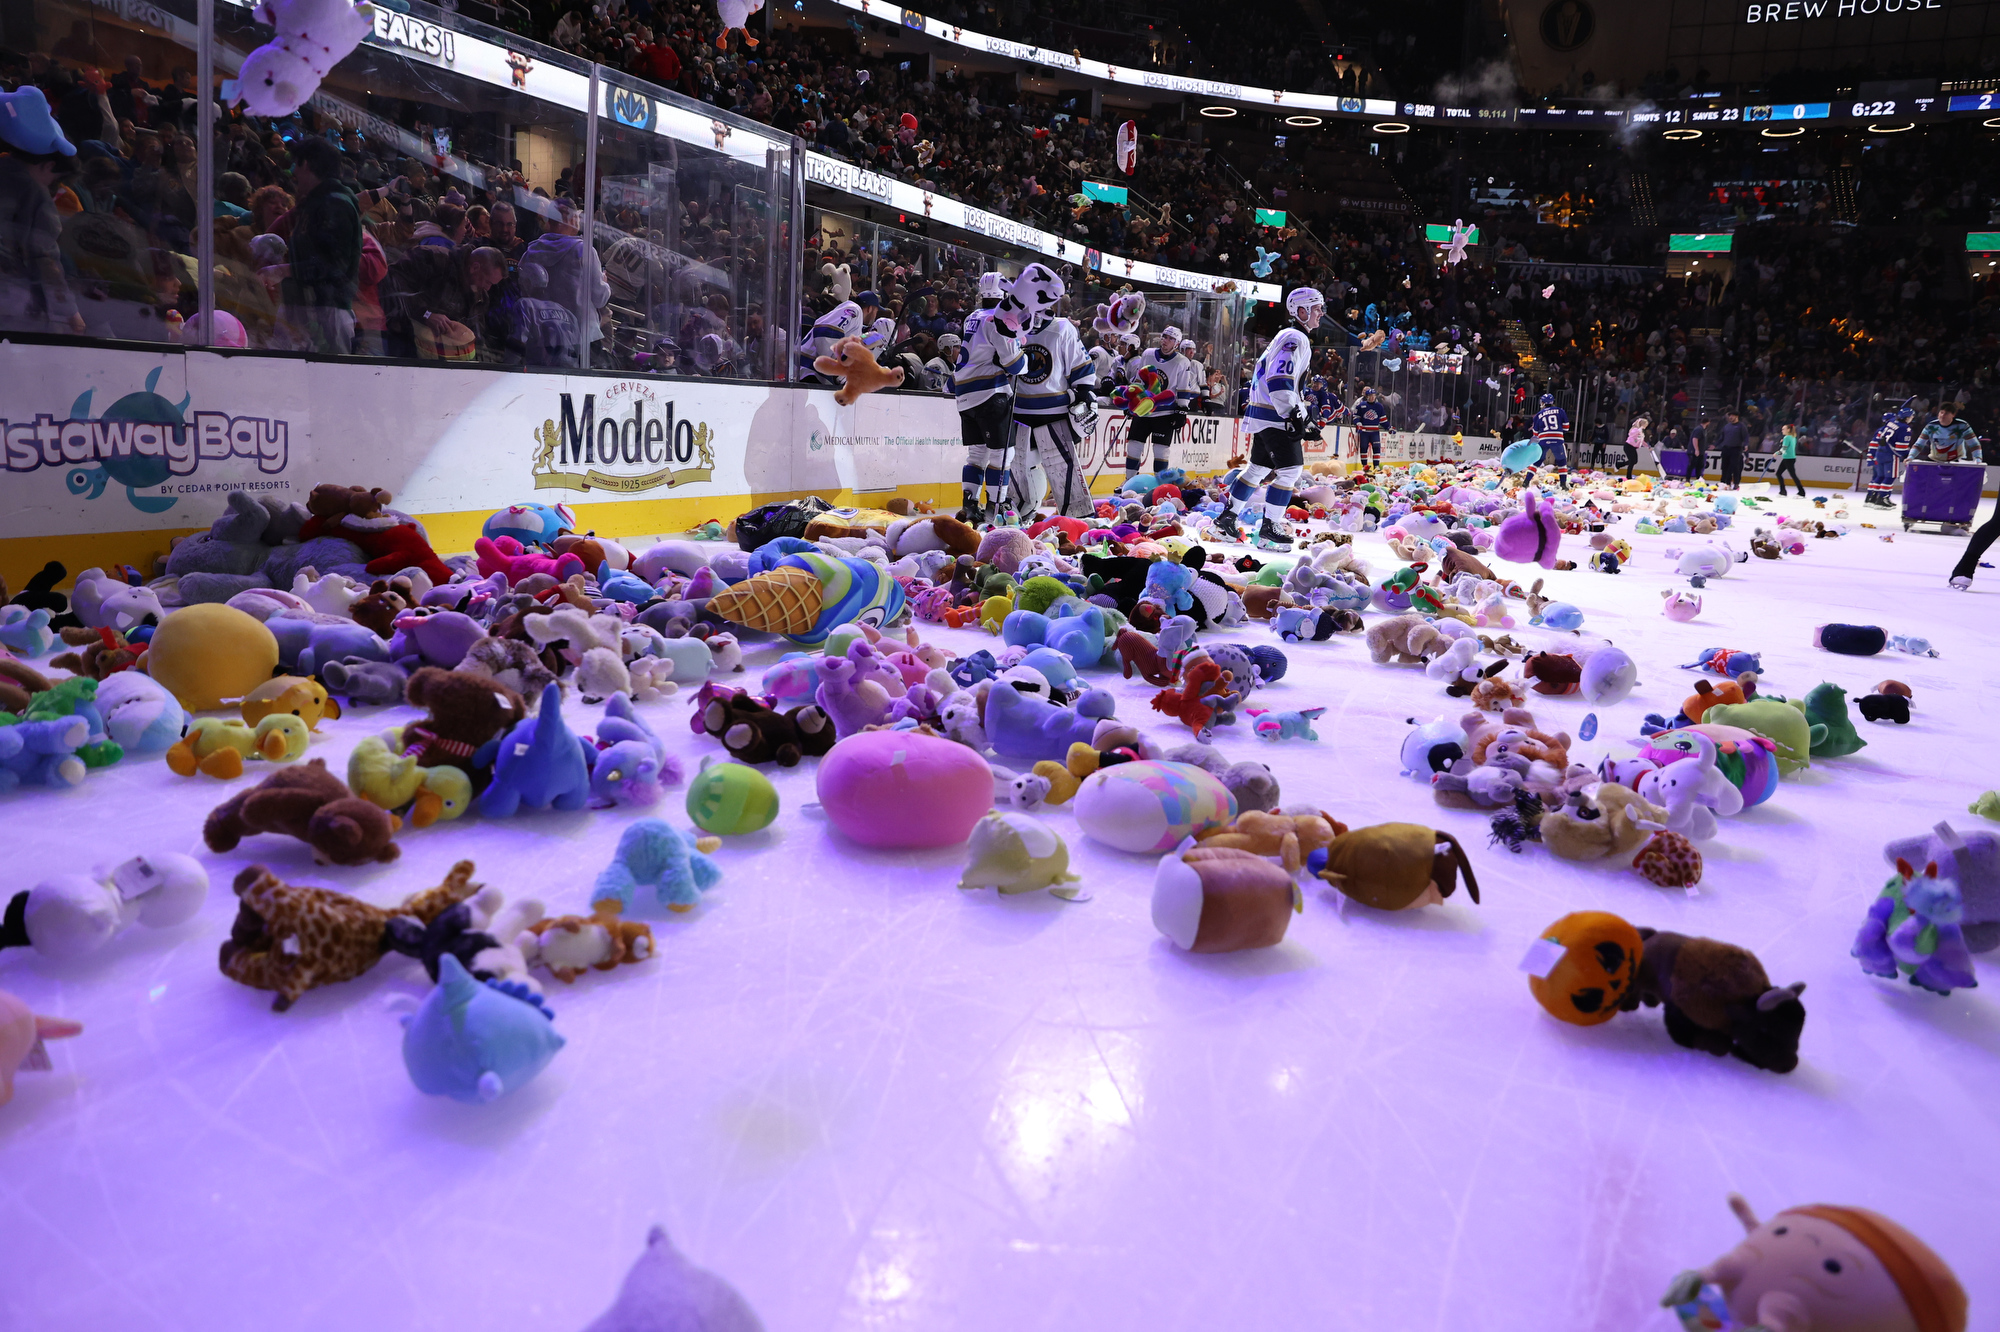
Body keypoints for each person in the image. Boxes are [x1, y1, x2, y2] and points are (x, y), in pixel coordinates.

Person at [1217, 286, 1322, 550]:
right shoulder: (1296, 338)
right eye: (1317, 308)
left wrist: (1302, 415)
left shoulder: (1288, 336)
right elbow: (1278, 379)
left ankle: (1225, 520)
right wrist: (1294, 414)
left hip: (1264, 413)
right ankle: (1269, 530)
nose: (1321, 313)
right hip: (1275, 415)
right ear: (1301, 311)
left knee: (1258, 469)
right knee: (1291, 471)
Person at [1006, 273, 1096, 520]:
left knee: (1062, 467)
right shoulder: (1009, 327)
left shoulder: (1062, 327)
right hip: (1019, 412)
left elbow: (1081, 366)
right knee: (1019, 465)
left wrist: (1086, 394)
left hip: (1054, 413)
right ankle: (1018, 512)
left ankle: (1077, 517)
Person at [0, 93, 84, 335]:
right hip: (9, 298)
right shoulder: (36, 192)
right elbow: (45, 258)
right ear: (48, 166)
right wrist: (72, 315)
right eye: (55, 180)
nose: (52, 185)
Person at [950, 277, 1028, 524]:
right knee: (1002, 455)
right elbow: (1014, 365)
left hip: (965, 395)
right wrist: (1023, 356)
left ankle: (969, 507)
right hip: (990, 393)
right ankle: (997, 507)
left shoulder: (972, 316)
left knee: (976, 454)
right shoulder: (999, 319)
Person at [280, 135, 361, 355]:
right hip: (315, 311)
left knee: (330, 383)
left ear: (305, 164)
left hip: (328, 314)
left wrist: (284, 270)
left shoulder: (334, 204)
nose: (293, 173)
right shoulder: (316, 202)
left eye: (295, 164)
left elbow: (334, 266)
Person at [518, 198, 608, 366]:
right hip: (582, 339)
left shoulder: (531, 251)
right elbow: (600, 298)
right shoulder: (584, 251)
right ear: (573, 219)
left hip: (544, 340)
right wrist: (604, 283)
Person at [1122, 324, 1200, 480]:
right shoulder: (1148, 354)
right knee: (1133, 447)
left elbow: (1183, 387)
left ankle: (1159, 484)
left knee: (1161, 450)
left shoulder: (1182, 362)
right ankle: (1128, 482)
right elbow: (1139, 380)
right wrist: (1131, 400)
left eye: (1171, 339)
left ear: (1176, 344)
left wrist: (1182, 409)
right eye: (1164, 336)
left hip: (1165, 412)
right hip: (1144, 409)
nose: (1165, 341)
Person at [1865, 401, 1913, 507]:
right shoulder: (1905, 428)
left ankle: (1871, 497)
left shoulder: (1890, 424)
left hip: (1879, 454)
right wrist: (1908, 455)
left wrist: (1870, 457)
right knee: (1890, 477)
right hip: (1890, 455)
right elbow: (1901, 448)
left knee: (1879, 476)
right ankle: (1882, 498)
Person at [1531, 392, 1569, 474]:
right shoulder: (1560, 411)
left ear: (1543, 402)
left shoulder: (1538, 415)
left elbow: (1535, 433)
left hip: (1543, 439)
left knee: (1536, 461)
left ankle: (1526, 482)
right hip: (1557, 439)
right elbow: (1566, 427)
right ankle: (1563, 485)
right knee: (1562, 462)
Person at [1718, 410, 1748, 489]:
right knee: (1724, 466)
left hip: (1736, 449)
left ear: (1736, 416)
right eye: (1729, 416)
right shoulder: (1727, 426)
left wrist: (1746, 445)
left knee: (1735, 467)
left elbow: (1745, 437)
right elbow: (1722, 437)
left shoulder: (1741, 426)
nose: (1730, 417)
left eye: (1732, 416)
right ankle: (1725, 482)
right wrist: (1715, 445)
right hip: (1726, 448)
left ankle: (1736, 483)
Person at [1773, 422, 1802, 497]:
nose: (1782, 430)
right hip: (1789, 458)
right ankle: (1783, 491)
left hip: (1788, 458)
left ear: (1788, 430)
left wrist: (1777, 453)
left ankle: (1801, 492)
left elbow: (1784, 448)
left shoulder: (1787, 437)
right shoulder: (1792, 437)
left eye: (1783, 429)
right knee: (1779, 473)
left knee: (1792, 475)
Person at [1623, 415, 1646, 480]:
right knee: (1632, 461)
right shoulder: (1635, 430)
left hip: (1632, 447)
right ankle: (1628, 477)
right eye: (1645, 424)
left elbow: (1640, 440)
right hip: (1628, 446)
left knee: (1634, 461)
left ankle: (1620, 464)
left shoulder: (1640, 431)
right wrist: (1639, 430)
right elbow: (1631, 434)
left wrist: (1647, 446)